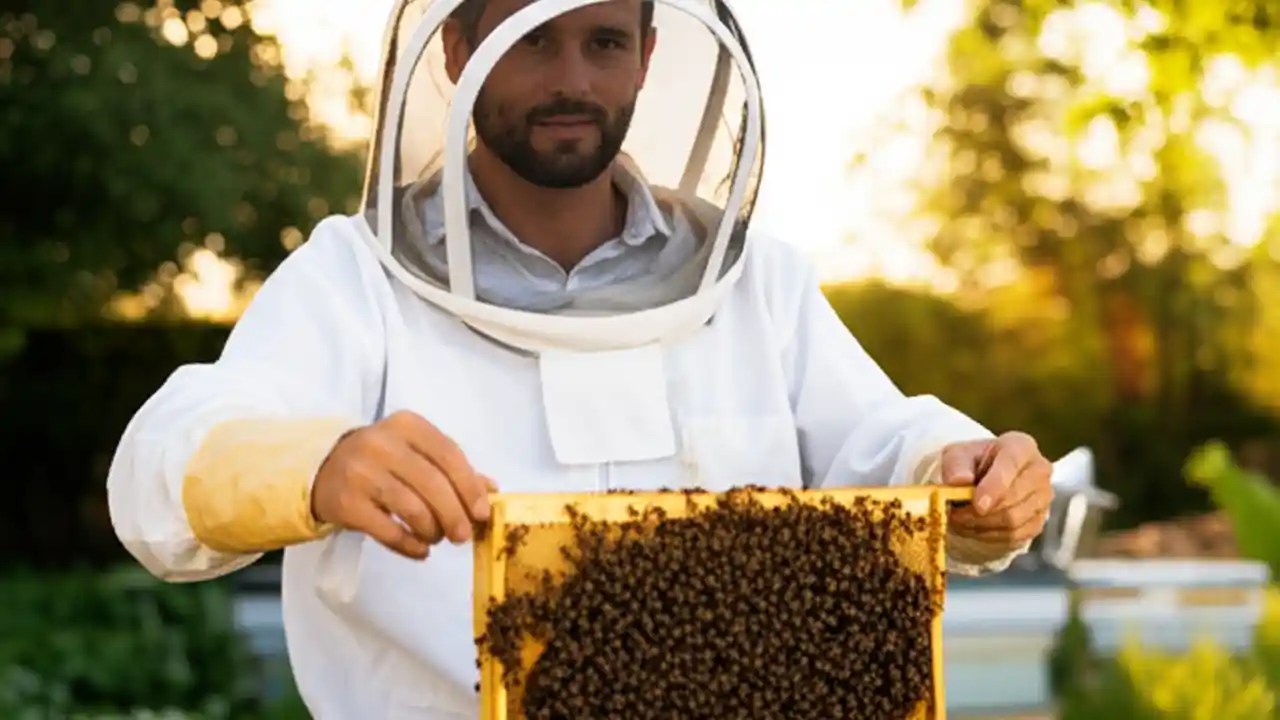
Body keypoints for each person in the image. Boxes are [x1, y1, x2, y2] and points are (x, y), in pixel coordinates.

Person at [107, 0, 1055, 716]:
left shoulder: (753, 283)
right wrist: (317, 464)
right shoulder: (351, 283)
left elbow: (887, 449)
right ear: (456, 50)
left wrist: (968, 471)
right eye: (531, 38)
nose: (572, 79)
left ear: (648, 55)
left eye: (603, 42)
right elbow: (159, 473)